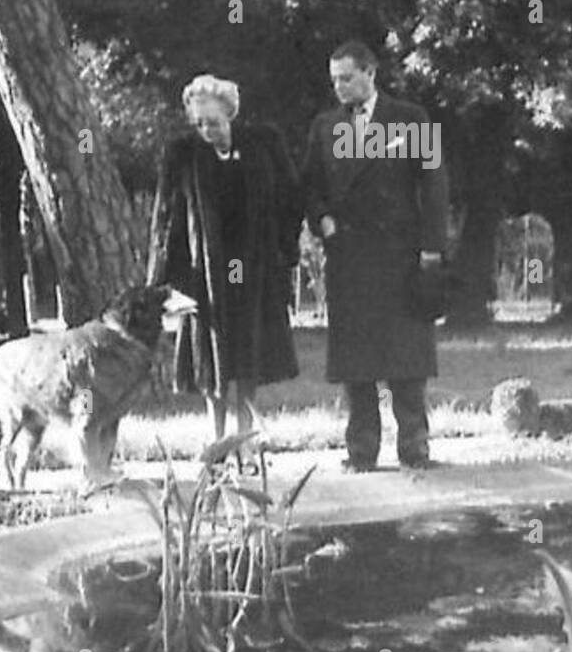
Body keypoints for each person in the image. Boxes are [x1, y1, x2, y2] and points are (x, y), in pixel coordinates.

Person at [303, 41, 449, 471]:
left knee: (407, 356)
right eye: (334, 80)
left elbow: (435, 184)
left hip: (401, 254)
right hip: (349, 257)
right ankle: (361, 450)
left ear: (371, 72)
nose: (340, 87)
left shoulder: (410, 118)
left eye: (347, 78)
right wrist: (322, 220)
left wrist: (432, 248)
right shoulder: (325, 127)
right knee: (356, 359)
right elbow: (309, 185)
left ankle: (415, 448)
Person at [147, 74, 302, 445]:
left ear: (230, 114)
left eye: (213, 122)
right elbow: (165, 217)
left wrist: (284, 251)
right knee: (211, 355)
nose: (206, 130)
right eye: (198, 123)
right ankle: (216, 440)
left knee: (250, 353)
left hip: (254, 265)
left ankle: (246, 437)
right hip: (206, 272)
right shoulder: (182, 155)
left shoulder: (262, 146)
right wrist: (164, 280)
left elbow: (290, 198)